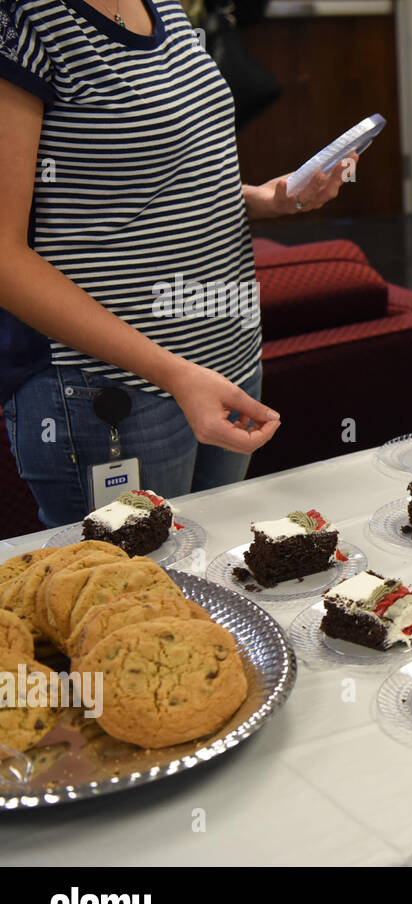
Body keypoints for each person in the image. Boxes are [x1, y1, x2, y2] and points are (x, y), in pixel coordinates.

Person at [0, 0, 353, 527]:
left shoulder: (160, 4)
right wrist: (174, 375)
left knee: (205, 577)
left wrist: (267, 198)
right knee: (133, 599)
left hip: (222, 360)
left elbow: (149, 176)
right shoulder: (25, 18)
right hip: (111, 386)